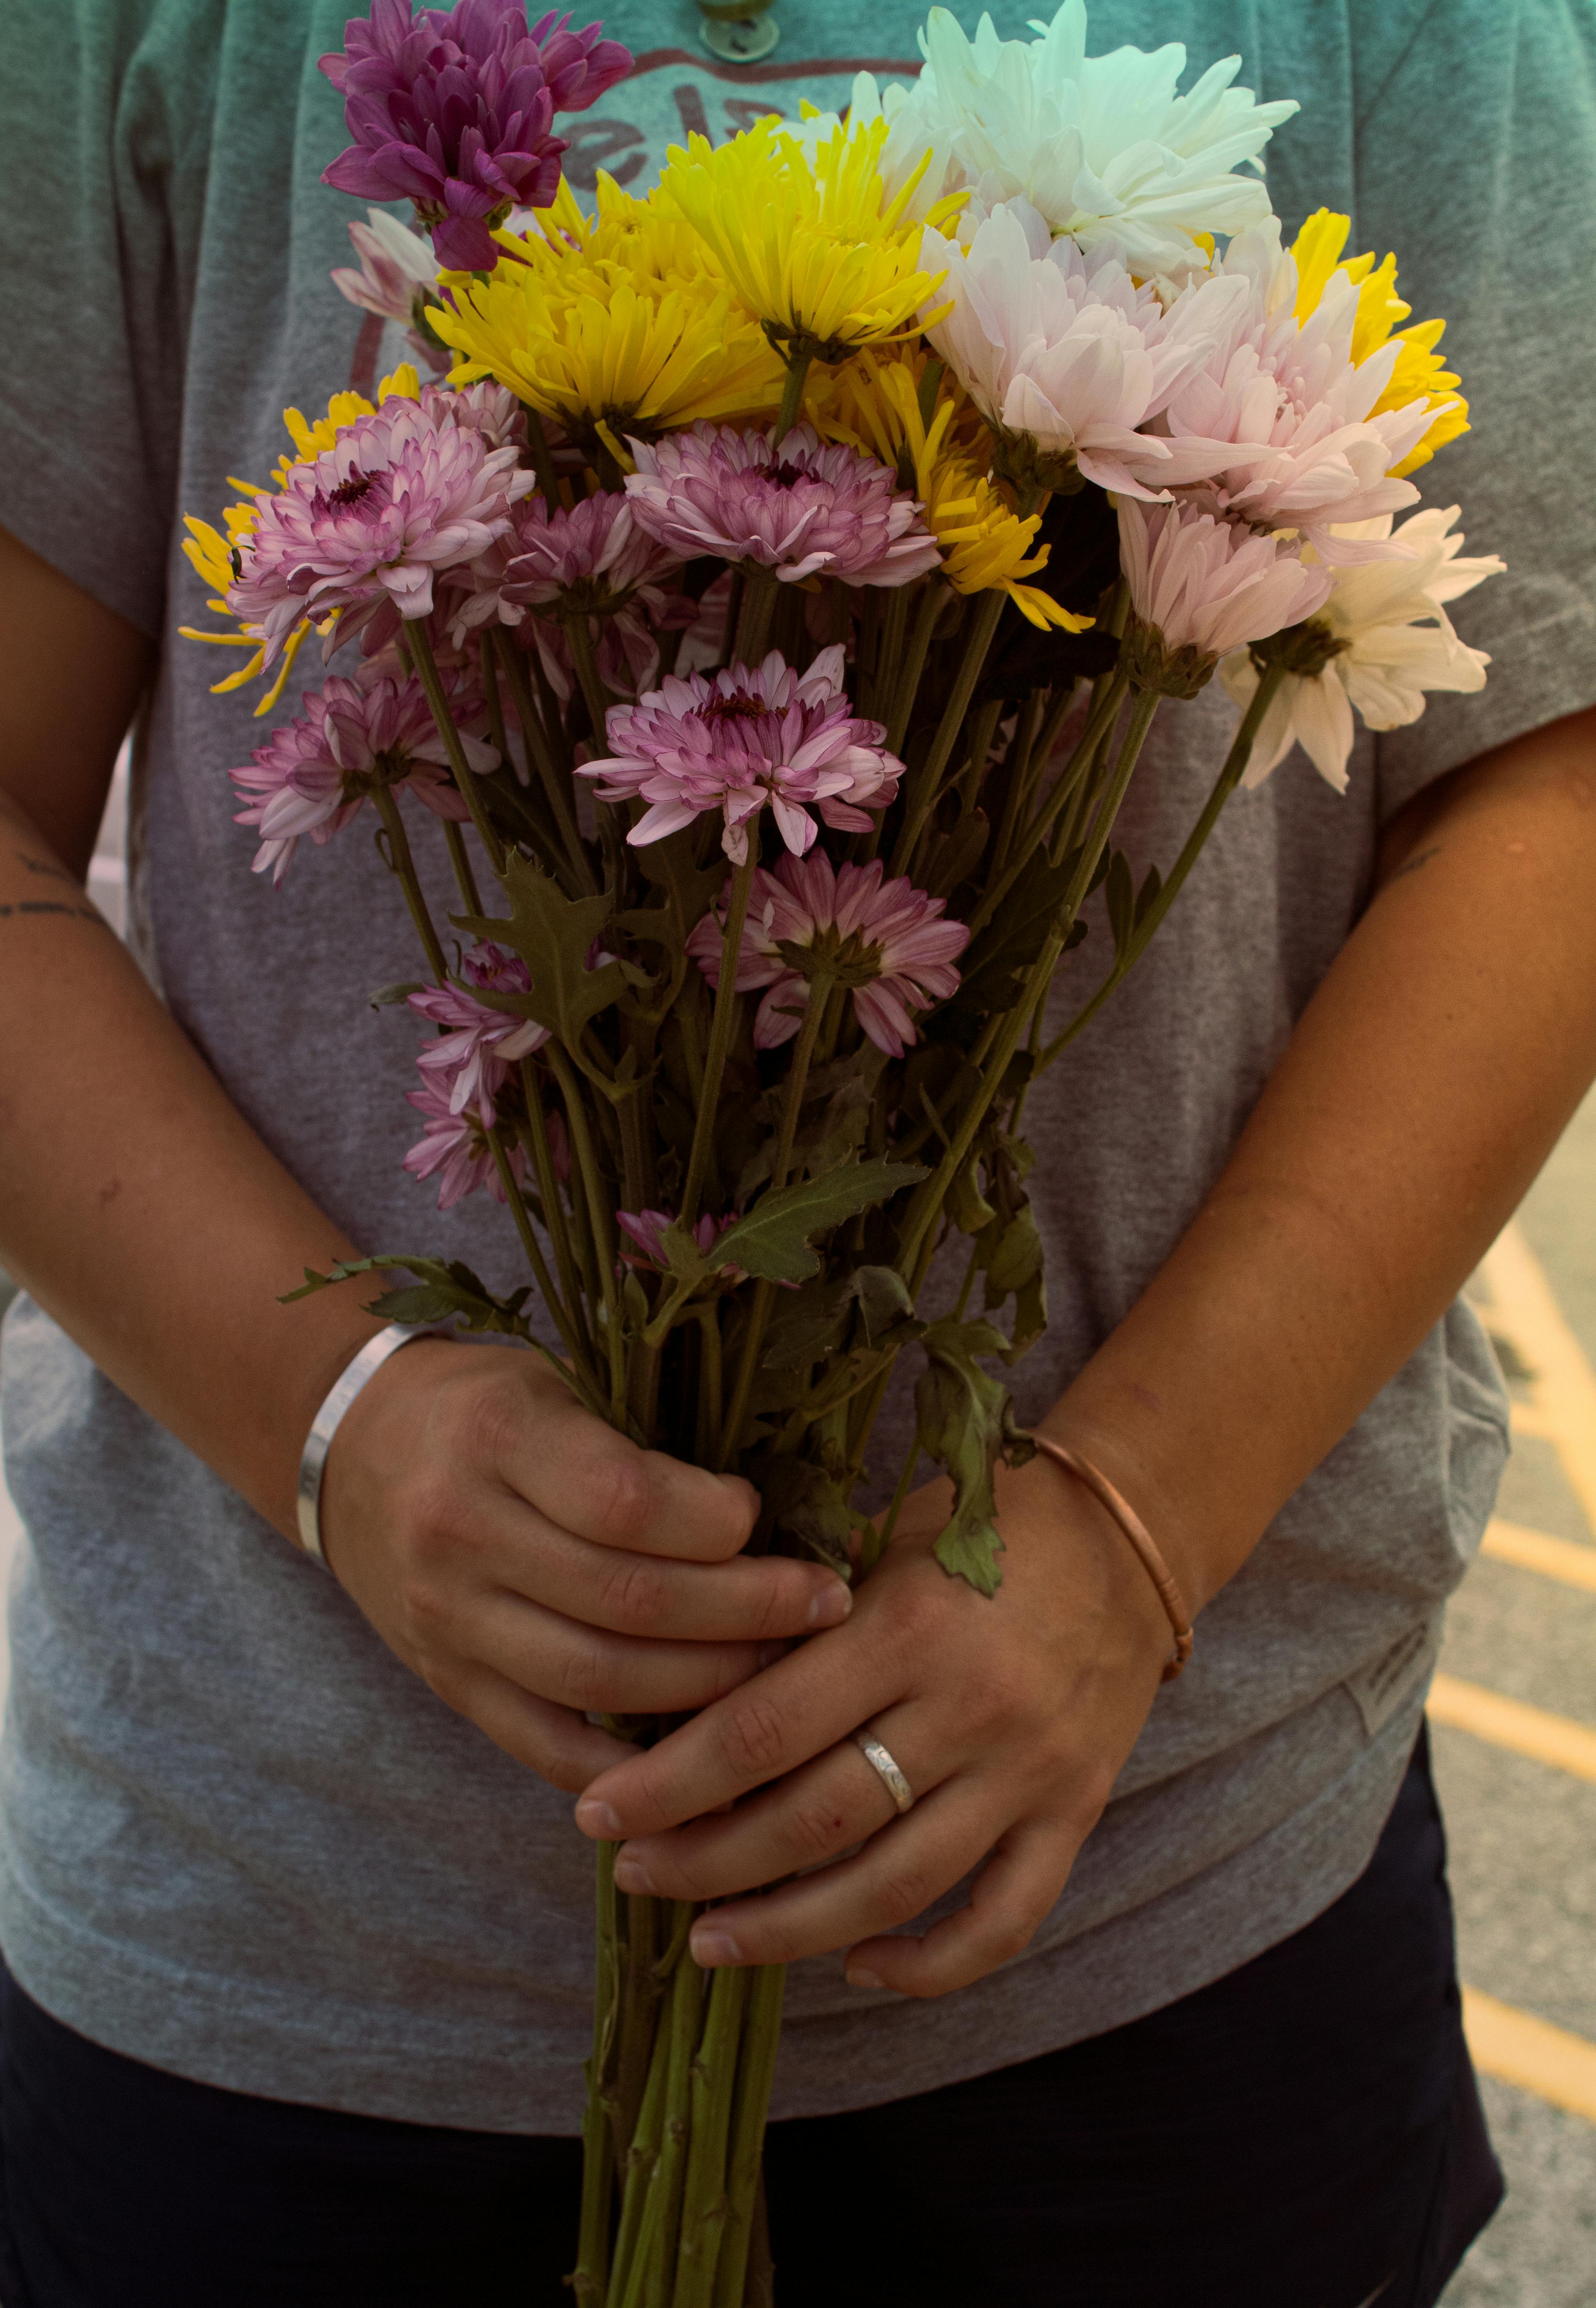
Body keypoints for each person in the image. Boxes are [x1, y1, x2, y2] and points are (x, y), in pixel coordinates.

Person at [1, 2, 1593, 2301]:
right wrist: (330, 1409)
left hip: (1153, 1888)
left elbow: (1536, 765)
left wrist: (1140, 1519)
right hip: (295, 1923)